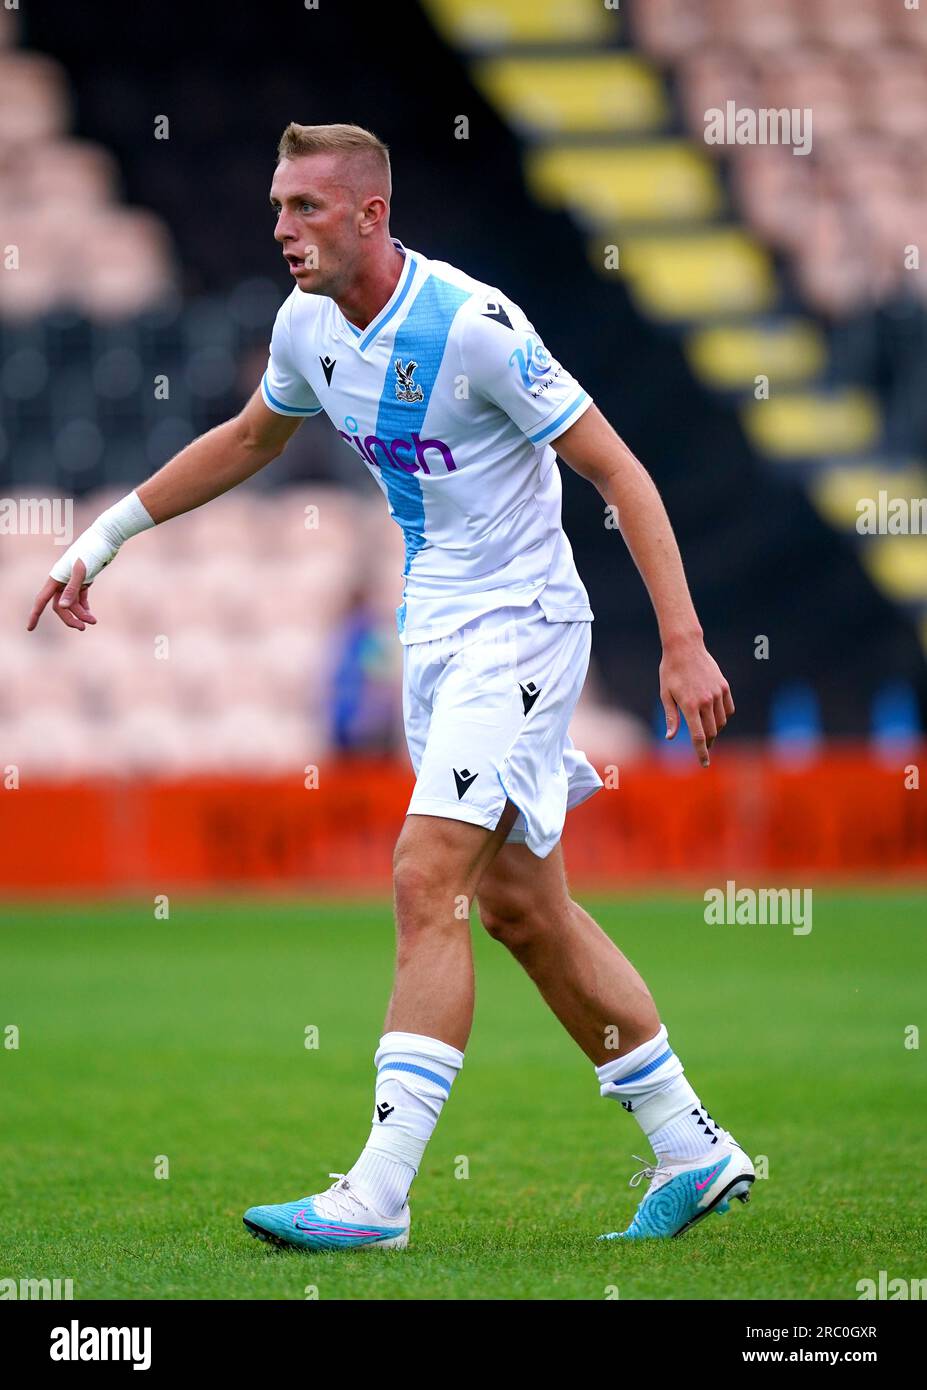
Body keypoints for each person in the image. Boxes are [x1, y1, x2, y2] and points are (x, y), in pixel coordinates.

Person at [28, 123, 752, 1249]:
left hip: (522, 627)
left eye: (305, 208)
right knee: (522, 907)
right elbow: (253, 435)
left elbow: (618, 467)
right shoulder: (306, 327)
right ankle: (694, 1146)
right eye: (277, 208)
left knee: (426, 877)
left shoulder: (473, 325)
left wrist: (684, 639)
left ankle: (377, 1195)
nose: (280, 230)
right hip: (438, 635)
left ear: (372, 213)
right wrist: (107, 535)